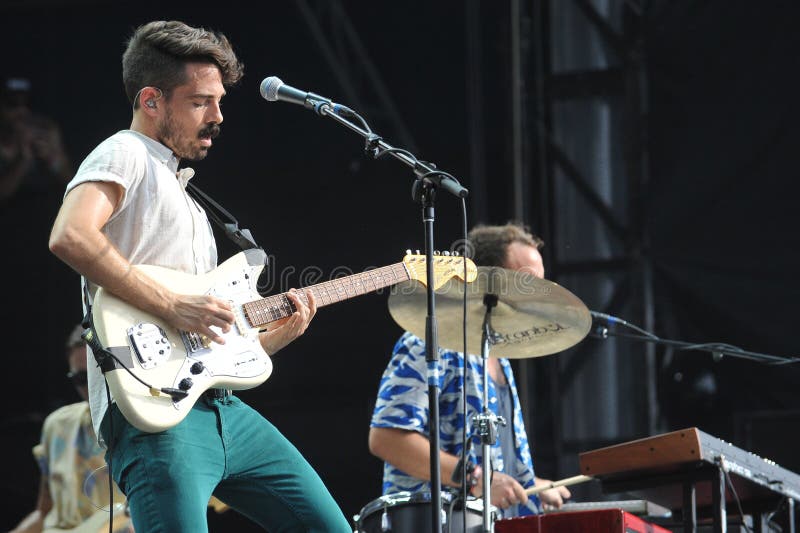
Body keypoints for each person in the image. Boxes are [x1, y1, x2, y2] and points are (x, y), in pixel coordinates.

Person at [47, 20, 351, 532]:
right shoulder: (125, 151)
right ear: (151, 100)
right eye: (199, 102)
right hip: (155, 418)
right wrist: (171, 305)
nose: (217, 116)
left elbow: (195, 341)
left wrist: (265, 342)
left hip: (221, 407)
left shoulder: (184, 193)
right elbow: (70, 236)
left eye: (219, 102)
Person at [368, 223, 572, 519]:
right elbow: (385, 438)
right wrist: (476, 478)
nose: (539, 294)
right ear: (485, 280)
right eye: (527, 280)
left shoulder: (499, 356)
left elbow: (497, 463)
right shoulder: (430, 342)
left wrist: (531, 484)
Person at [9, 324, 131, 533]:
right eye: (81, 379)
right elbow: (44, 512)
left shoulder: (149, 429)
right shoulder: (57, 424)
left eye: (99, 374)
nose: (91, 387)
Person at [0, 76, 71, 202]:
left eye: (27, 103)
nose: (22, 111)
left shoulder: (45, 130)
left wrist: (52, 159)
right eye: (12, 104)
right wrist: (23, 160)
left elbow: (71, 181)